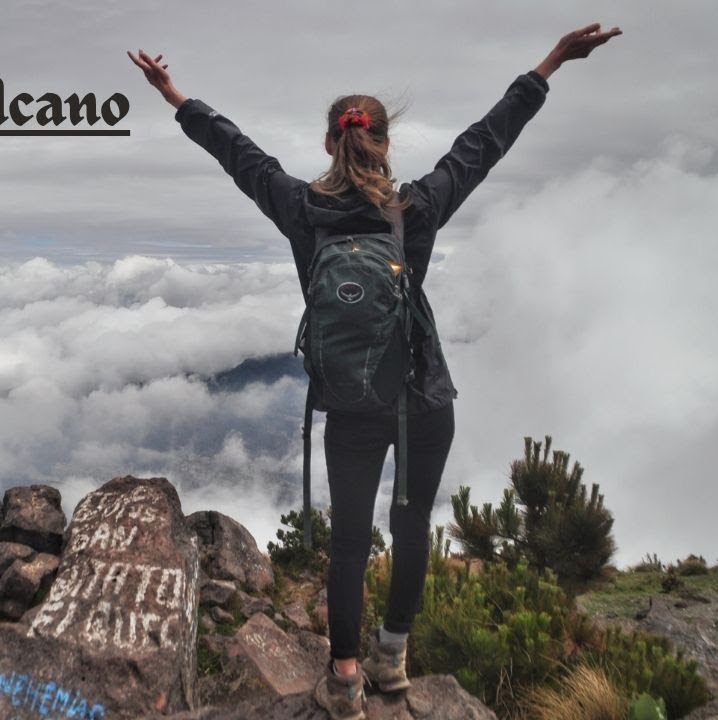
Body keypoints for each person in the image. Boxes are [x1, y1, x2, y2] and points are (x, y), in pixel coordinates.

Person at [129, 22, 621, 720]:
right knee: (413, 524)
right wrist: (551, 63)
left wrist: (174, 95)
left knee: (351, 544)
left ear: (330, 141)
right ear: (384, 142)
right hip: (423, 396)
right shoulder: (415, 210)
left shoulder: (302, 209)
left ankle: (347, 680)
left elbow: (236, 154)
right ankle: (393, 657)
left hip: (350, 404)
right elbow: (485, 141)